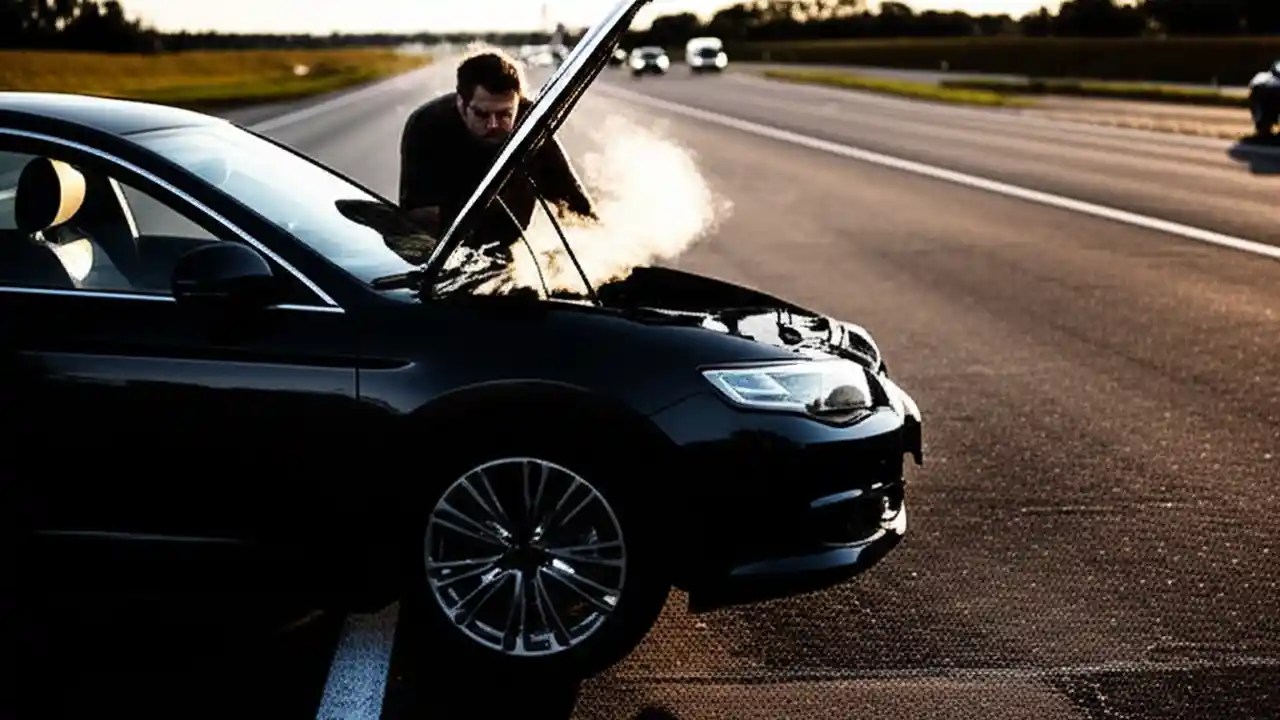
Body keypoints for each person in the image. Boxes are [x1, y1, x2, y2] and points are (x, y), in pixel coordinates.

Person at [398, 49, 598, 257]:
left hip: (507, 249)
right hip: (443, 253)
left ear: (517, 104)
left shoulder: (531, 126)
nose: (493, 125)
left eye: (504, 114)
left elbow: (576, 206)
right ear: (461, 104)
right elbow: (417, 218)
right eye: (482, 114)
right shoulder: (427, 126)